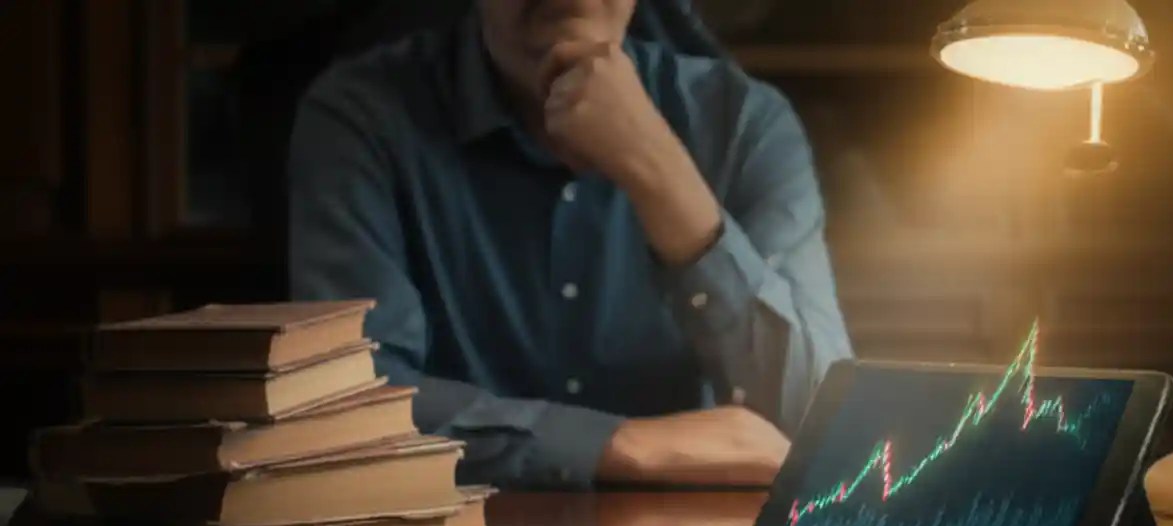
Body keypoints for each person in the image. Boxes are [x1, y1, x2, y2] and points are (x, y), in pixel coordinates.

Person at [287, 0, 853, 490]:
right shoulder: (362, 116)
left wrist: (660, 172)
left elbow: (828, 425)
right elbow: (349, 402)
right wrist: (620, 445)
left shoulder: (745, 124)